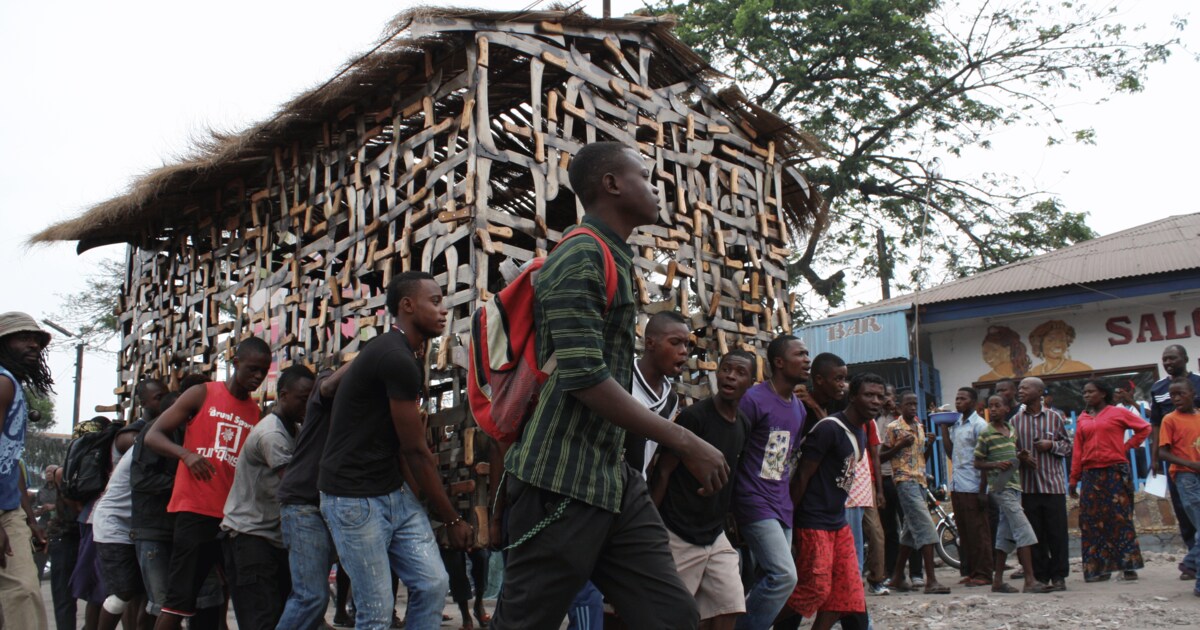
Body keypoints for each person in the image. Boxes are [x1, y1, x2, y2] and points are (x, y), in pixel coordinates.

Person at [492, 142, 728, 630]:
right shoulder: (580, 253)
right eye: (643, 175)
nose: (655, 187)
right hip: (560, 479)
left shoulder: (612, 256)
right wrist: (684, 440)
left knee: (672, 616)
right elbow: (583, 377)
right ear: (612, 185)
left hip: (611, 477)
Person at [320, 271, 469, 630]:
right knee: (376, 612)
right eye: (434, 301)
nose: (443, 310)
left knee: (433, 584)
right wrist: (452, 519)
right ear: (407, 305)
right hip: (353, 497)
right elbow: (415, 451)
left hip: (388, 489)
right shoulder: (395, 357)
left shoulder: (401, 352)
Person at [144, 337, 272, 629]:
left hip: (233, 518)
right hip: (196, 511)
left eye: (263, 372)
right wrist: (186, 455)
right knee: (179, 600)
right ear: (235, 363)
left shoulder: (255, 414)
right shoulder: (201, 394)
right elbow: (154, 435)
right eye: (252, 369)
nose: (257, 377)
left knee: (224, 596)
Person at [651, 351, 755, 630]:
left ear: (751, 382)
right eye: (726, 369)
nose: (730, 376)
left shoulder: (744, 424)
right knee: (671, 615)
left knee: (730, 604)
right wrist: (653, 525)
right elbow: (663, 471)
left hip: (714, 533)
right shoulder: (695, 417)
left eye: (739, 372)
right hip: (678, 530)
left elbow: (731, 476)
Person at [784, 373, 884, 629]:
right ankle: (753, 623)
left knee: (847, 594)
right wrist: (791, 528)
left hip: (837, 523)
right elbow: (802, 479)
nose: (875, 401)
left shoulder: (860, 432)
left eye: (880, 396)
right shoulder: (829, 429)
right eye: (868, 395)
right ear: (852, 397)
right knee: (814, 588)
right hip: (813, 521)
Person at [221, 364, 314, 629]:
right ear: (283, 395)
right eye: (302, 399)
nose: (307, 405)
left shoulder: (293, 429)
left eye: (311, 399)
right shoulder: (272, 434)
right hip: (250, 536)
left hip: (270, 539)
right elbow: (295, 488)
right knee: (260, 619)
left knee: (279, 615)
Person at [732, 335, 809, 630]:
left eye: (807, 354)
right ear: (779, 362)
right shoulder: (753, 399)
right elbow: (734, 449)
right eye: (799, 354)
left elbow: (782, 460)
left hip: (781, 502)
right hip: (753, 499)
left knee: (768, 576)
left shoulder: (799, 409)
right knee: (784, 575)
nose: (806, 360)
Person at [130, 389, 225, 629]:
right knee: (162, 605)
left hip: (187, 529)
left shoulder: (197, 433)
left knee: (206, 599)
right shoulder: (155, 433)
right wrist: (185, 477)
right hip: (155, 529)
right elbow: (141, 480)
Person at [276, 362, 351, 629]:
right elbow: (329, 384)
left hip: (324, 507)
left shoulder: (357, 406)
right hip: (303, 505)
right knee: (310, 597)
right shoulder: (324, 389)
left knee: (313, 599)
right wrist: (373, 355)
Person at [1069, 379, 1150, 583]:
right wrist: (1073, 478)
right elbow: (1078, 450)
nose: (1086, 395)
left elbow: (1145, 428)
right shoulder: (1083, 418)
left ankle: (1128, 566)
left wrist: (1127, 446)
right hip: (1090, 473)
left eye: (1090, 391)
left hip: (1114, 471)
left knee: (1120, 518)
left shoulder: (1117, 412)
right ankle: (1099, 568)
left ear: (1102, 393)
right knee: (1091, 521)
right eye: (1084, 392)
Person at [0, 311, 52, 629]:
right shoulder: (3, 383)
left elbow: (10, 460)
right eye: (23, 337)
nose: (33, 344)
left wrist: (30, 520)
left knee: (21, 592)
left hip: (9, 510)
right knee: (22, 591)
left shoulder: (12, 384)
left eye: (36, 340)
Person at [974, 395, 1052, 594]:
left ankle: (997, 581)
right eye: (990, 406)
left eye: (997, 406)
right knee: (1023, 530)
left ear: (1006, 408)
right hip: (1000, 488)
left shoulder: (1011, 431)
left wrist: (1021, 456)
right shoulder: (986, 434)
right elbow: (977, 462)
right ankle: (1030, 580)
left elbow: (1012, 455)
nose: (993, 410)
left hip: (1015, 486)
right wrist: (994, 465)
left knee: (1004, 535)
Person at [882, 392, 948, 594]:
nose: (912, 407)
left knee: (909, 533)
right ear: (900, 406)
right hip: (904, 481)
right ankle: (931, 581)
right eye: (908, 404)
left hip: (919, 480)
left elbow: (921, 459)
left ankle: (896, 578)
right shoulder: (893, 428)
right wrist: (900, 445)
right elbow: (880, 457)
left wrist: (928, 445)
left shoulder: (919, 427)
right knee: (925, 526)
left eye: (914, 404)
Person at [1011, 377, 1071, 591]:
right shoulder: (1015, 421)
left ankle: (1059, 576)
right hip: (1028, 487)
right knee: (1035, 535)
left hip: (1052, 486)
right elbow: (1009, 450)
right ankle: (1041, 576)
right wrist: (1020, 456)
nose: (1020, 391)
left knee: (1057, 534)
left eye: (1025, 388)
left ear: (1039, 391)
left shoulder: (1055, 418)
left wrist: (1051, 445)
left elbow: (1067, 446)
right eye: (1019, 388)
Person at [1149, 345, 1200, 580]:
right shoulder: (1158, 389)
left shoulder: (1198, 382)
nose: (1168, 362)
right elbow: (1156, 425)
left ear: (1185, 359)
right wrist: (1155, 457)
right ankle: (1194, 560)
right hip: (1179, 464)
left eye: (1172, 358)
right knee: (1184, 511)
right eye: (1164, 359)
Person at [626, 310, 688, 478]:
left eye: (686, 344)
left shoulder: (670, 399)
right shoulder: (623, 379)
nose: (684, 351)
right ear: (650, 343)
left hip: (633, 491)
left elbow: (650, 453)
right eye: (675, 342)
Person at [943, 387, 992, 587]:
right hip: (958, 484)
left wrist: (983, 490)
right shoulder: (957, 425)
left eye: (963, 398)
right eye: (957, 398)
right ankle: (971, 571)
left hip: (974, 486)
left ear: (973, 402)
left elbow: (987, 458)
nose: (958, 402)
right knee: (965, 532)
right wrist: (943, 428)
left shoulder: (980, 425)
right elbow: (951, 453)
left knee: (979, 532)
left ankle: (984, 573)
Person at [1158, 376, 1200, 597]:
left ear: (1192, 394)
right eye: (1172, 395)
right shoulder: (1169, 420)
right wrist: (1190, 463)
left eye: (1180, 394)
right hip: (1186, 476)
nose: (1176, 398)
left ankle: (1191, 563)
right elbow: (1163, 452)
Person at [44, 464, 81, 630]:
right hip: (65, 535)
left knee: (102, 596)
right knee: (64, 599)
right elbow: (76, 507)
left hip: (81, 535)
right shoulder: (63, 472)